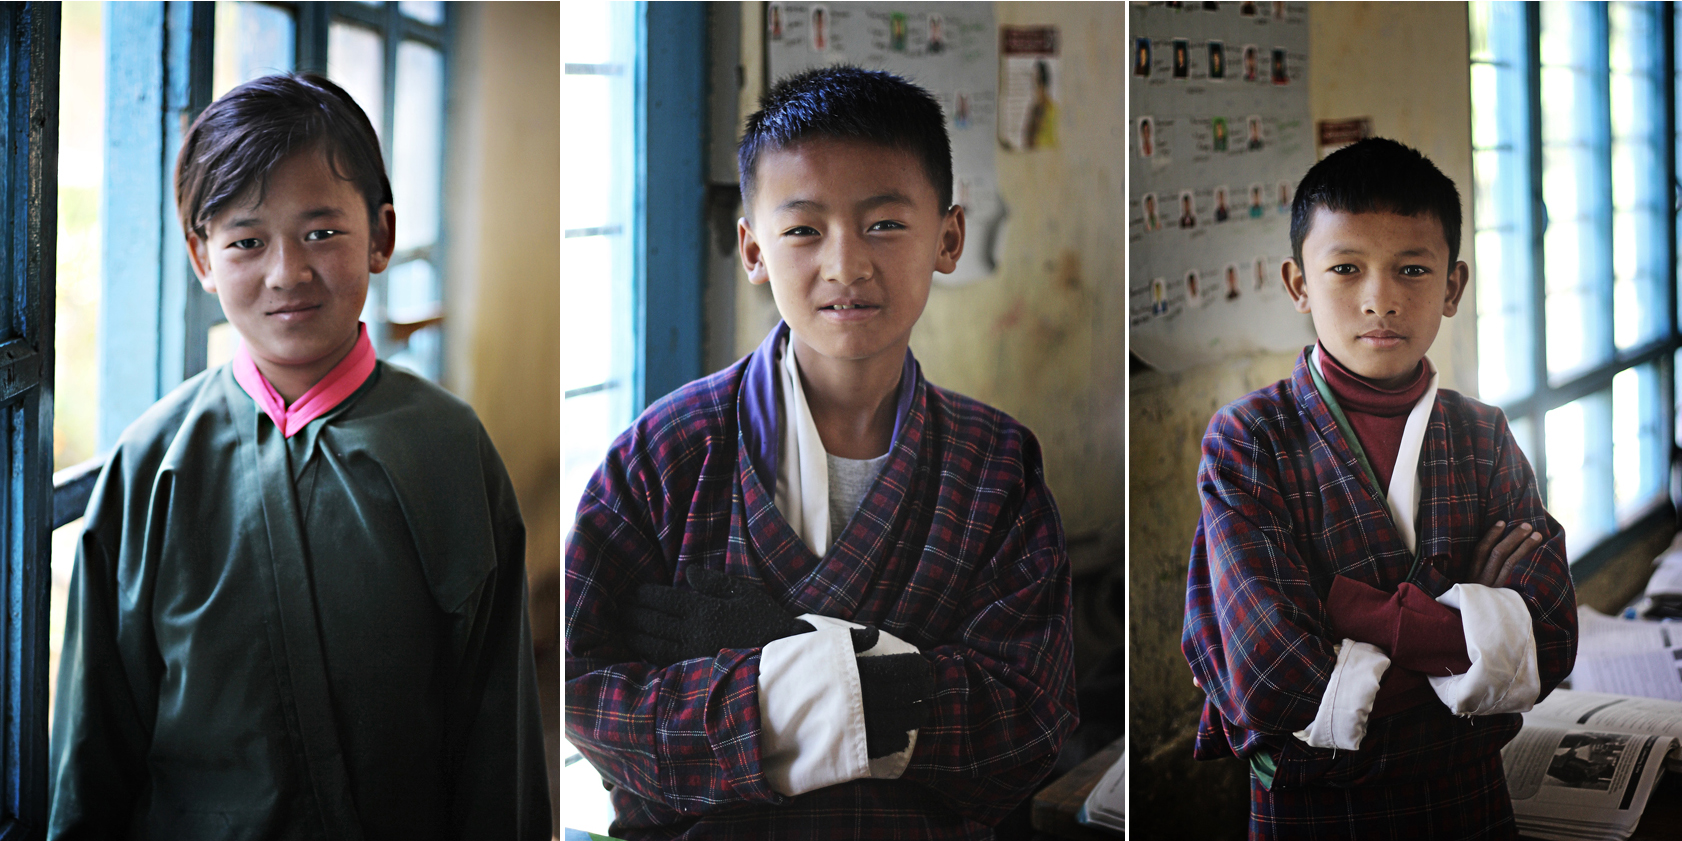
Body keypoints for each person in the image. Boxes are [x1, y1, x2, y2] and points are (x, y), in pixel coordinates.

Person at [563, 66, 1076, 838]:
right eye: (804, 229)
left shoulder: (996, 465)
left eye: (885, 223)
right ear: (752, 248)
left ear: (948, 238)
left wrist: (779, 652)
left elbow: (1027, 723)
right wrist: (849, 680)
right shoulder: (665, 455)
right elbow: (585, 693)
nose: (845, 265)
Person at [49, 72, 549, 838]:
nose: (287, 272)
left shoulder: (449, 449)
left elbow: (497, 728)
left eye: (321, 233)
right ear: (202, 257)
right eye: (247, 241)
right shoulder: (151, 464)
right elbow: (96, 743)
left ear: (380, 236)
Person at [1182, 138, 1577, 839]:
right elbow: (1270, 677)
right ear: (1299, 284)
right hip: (1314, 815)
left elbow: (1549, 639)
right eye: (1345, 268)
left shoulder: (1483, 434)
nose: (1380, 300)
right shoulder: (1250, 440)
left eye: (1413, 269)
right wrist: (1480, 632)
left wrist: (1346, 614)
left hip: (1467, 805)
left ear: (1452, 287)